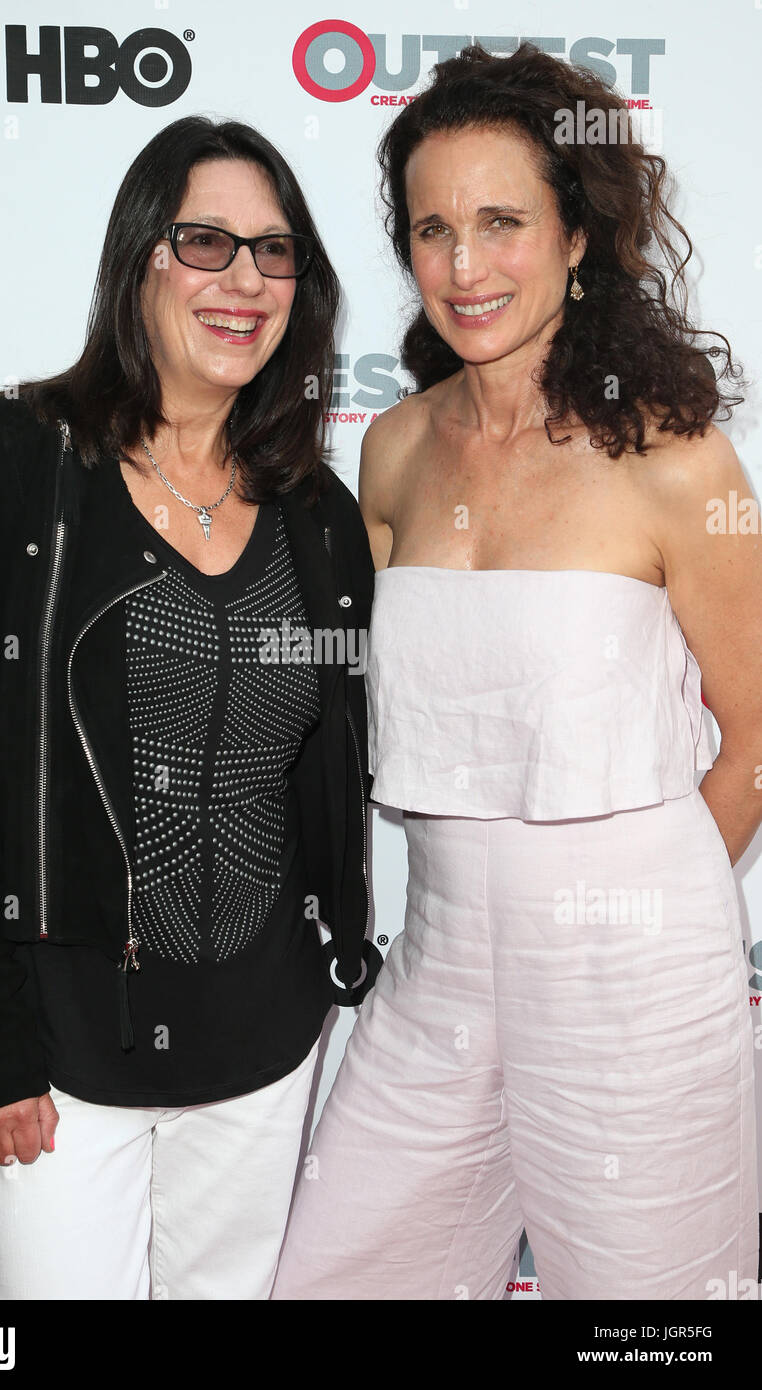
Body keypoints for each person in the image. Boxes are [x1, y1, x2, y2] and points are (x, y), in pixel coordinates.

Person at [271, 43, 760, 1301]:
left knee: (650, 1312)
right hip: (435, 951)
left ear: (577, 236)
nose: (464, 266)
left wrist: (643, 907)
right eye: (433, 229)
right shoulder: (391, 449)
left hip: (635, 968)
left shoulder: (679, 460)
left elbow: (755, 736)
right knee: (339, 1276)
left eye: (501, 222)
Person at [0, 116, 376, 1300]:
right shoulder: (18, 457)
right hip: (53, 1058)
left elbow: (326, 765)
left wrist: (328, 959)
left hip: (259, 1050)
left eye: (275, 250)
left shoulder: (316, 508)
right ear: (141, 255)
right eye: (206, 242)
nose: (244, 281)